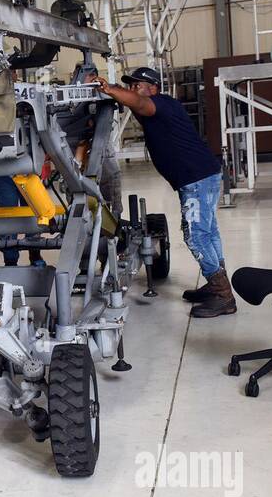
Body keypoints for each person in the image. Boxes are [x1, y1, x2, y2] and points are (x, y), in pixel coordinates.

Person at [96, 66, 235, 317]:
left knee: (196, 236)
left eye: (137, 84)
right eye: (131, 85)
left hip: (196, 179)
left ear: (153, 88)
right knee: (209, 231)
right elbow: (135, 102)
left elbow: (138, 101)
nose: (132, 89)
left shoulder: (159, 103)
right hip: (203, 175)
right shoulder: (156, 108)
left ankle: (223, 296)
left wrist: (110, 88)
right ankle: (218, 285)